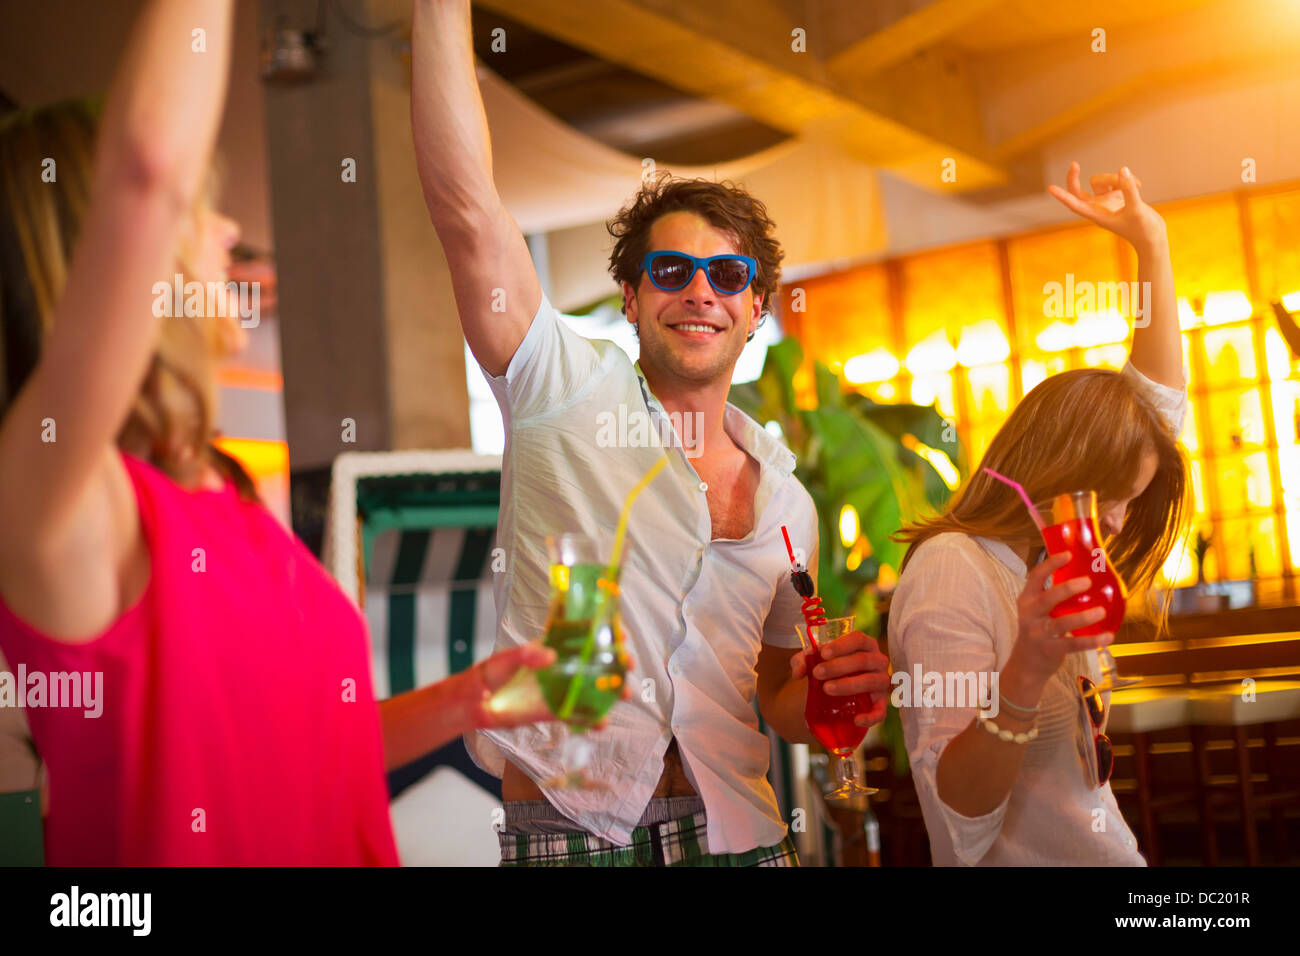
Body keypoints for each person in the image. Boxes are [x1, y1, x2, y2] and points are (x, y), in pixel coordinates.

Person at [0, 0, 554, 866]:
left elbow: (313, 746)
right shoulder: (51, 502)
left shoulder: (224, 494)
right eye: (199, 211)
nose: (227, 231)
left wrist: (470, 699)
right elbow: (150, 171)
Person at [411, 0, 891, 866]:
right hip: (574, 835)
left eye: (726, 275)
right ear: (631, 300)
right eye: (670, 271)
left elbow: (776, 695)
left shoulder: (788, 501)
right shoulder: (563, 387)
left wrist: (840, 700)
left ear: (754, 310)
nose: (699, 291)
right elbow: (468, 212)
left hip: (744, 836)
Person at [886, 163, 1189, 865]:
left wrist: (1153, 245)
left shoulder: (1046, 565)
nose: (1115, 524)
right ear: (1058, 473)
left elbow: (1157, 417)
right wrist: (1026, 667)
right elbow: (957, 817)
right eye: (1109, 497)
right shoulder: (950, 573)